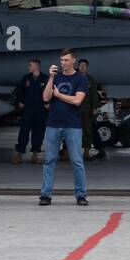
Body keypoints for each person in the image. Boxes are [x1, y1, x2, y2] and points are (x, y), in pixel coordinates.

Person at [39, 49, 89, 207]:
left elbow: (77, 101)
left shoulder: (80, 79)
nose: (63, 63)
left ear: (73, 60)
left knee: (77, 161)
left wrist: (59, 95)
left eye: (66, 60)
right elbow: (46, 97)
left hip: (72, 125)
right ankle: (45, 195)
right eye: (61, 60)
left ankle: (81, 195)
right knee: (49, 160)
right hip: (53, 124)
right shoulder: (55, 77)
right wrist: (51, 77)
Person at [11, 59, 47, 164]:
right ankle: (19, 154)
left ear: (36, 66)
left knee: (38, 132)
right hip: (27, 110)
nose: (28, 67)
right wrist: (19, 102)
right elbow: (19, 91)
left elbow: (51, 91)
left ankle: (35, 154)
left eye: (30, 65)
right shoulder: (26, 78)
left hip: (40, 110)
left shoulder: (45, 79)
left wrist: (48, 104)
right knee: (23, 132)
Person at [77, 59, 104, 160]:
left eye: (84, 65)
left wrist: (95, 107)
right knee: (69, 130)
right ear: (78, 66)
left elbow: (94, 95)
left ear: (87, 67)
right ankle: (66, 152)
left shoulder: (90, 80)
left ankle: (86, 152)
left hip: (86, 109)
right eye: (81, 65)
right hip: (73, 108)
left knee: (87, 130)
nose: (82, 67)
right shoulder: (72, 77)